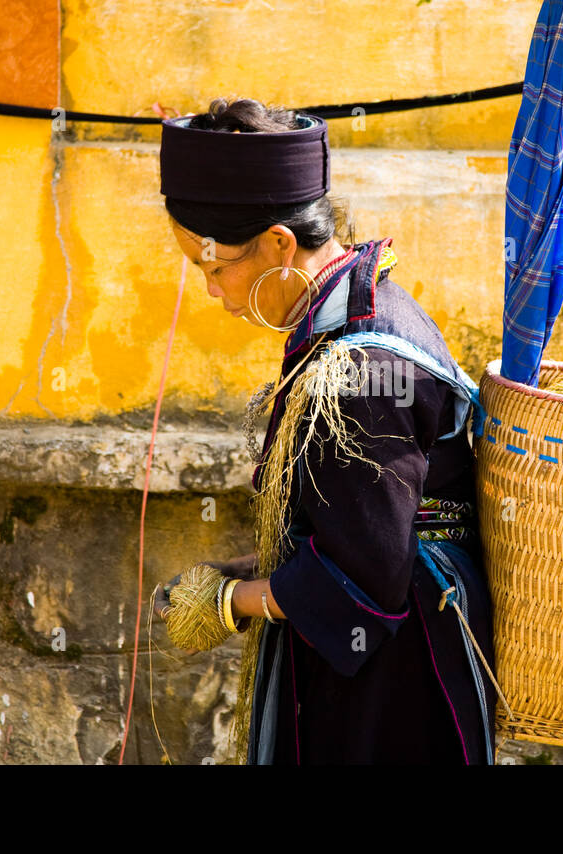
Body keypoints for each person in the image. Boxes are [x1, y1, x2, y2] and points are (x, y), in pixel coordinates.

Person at [152, 97, 496, 764]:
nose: (212, 291)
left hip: (398, 688)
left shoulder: (364, 367)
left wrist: (233, 602)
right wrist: (240, 573)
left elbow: (367, 581)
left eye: (214, 266)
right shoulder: (348, 318)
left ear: (280, 244)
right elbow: (349, 523)